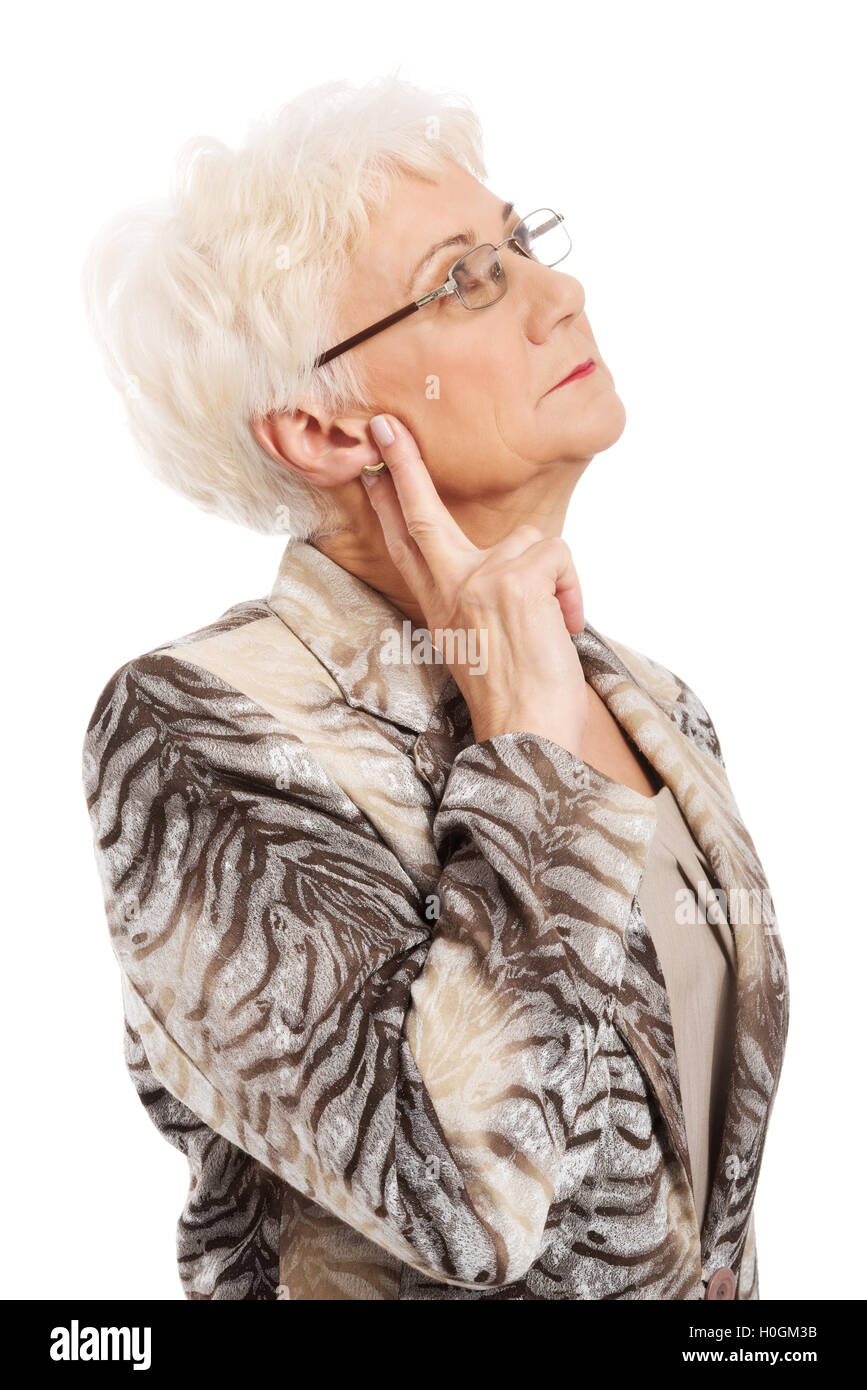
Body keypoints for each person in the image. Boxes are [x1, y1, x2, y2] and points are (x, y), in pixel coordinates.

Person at [81, 74, 789, 1300]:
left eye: (523, 246)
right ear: (324, 429)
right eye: (465, 278)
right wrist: (531, 756)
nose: (561, 295)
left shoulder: (653, 702)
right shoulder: (196, 729)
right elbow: (457, 1203)